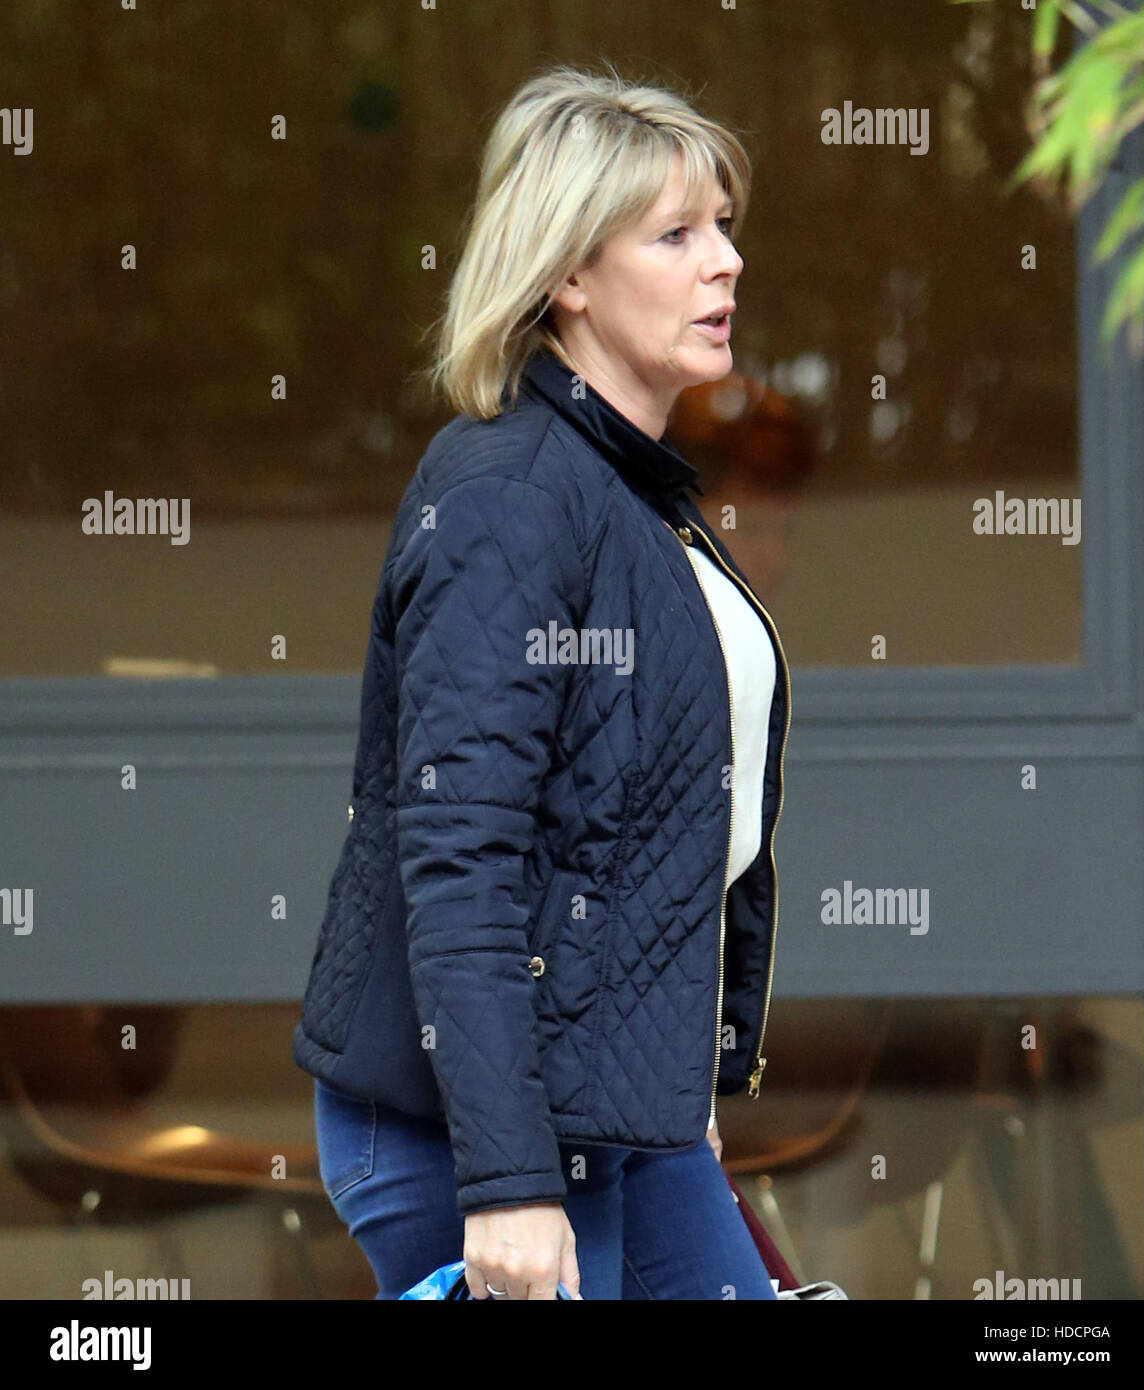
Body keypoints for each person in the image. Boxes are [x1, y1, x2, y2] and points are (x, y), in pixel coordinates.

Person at [292, 62, 792, 1301]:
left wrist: (690, 1083)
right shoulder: (511, 496)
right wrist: (507, 1180)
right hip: (474, 1134)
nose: (723, 259)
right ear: (566, 277)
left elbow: (655, 836)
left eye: (723, 226)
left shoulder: (632, 495)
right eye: (675, 233)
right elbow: (461, 849)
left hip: (618, 1113)